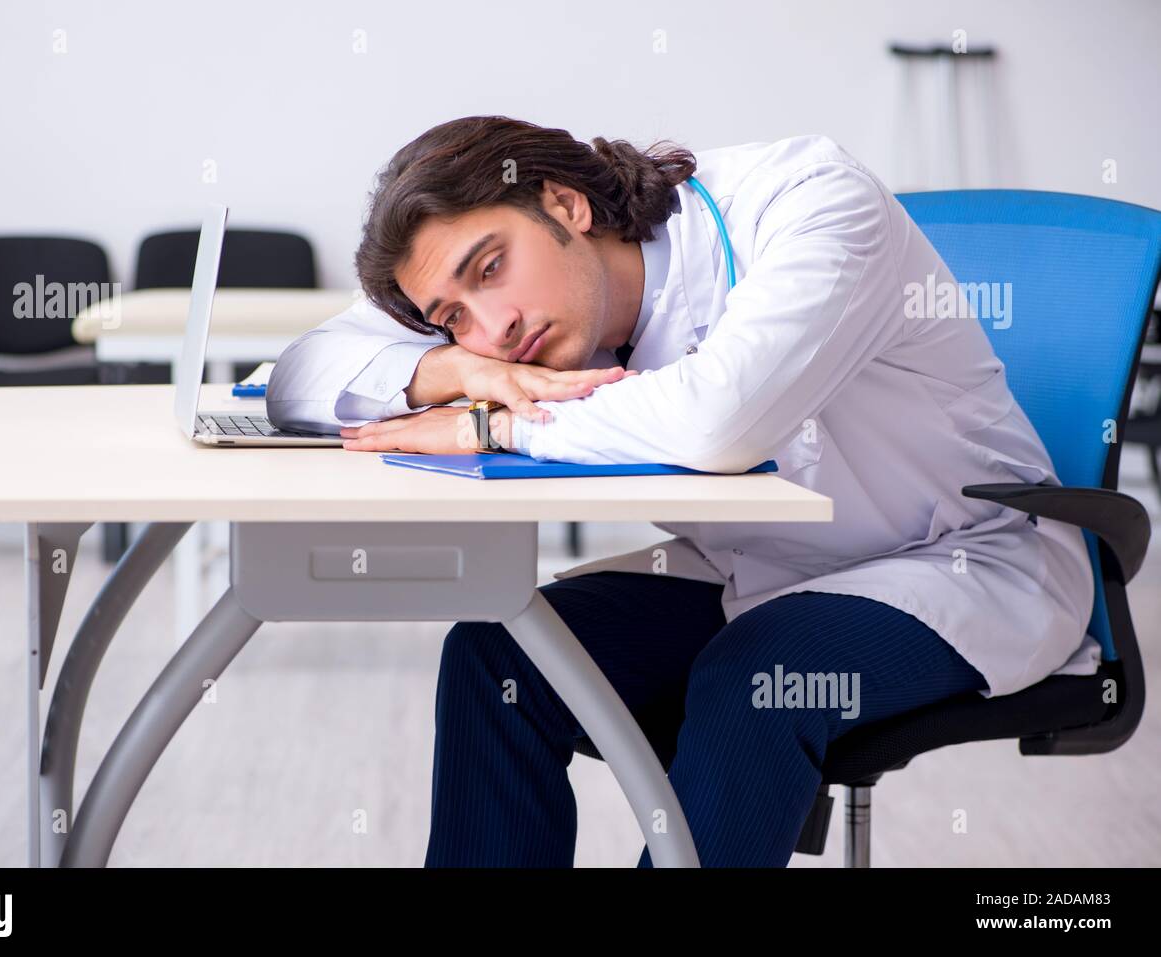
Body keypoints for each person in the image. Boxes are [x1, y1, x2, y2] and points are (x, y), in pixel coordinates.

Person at [265, 115, 1096, 866]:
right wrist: (447, 368)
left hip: (961, 559)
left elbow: (719, 423)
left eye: (491, 268)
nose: (495, 327)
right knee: (500, 651)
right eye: (451, 315)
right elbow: (296, 375)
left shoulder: (808, 199)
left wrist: (492, 423)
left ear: (566, 205)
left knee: (759, 675)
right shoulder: (498, 329)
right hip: (760, 566)